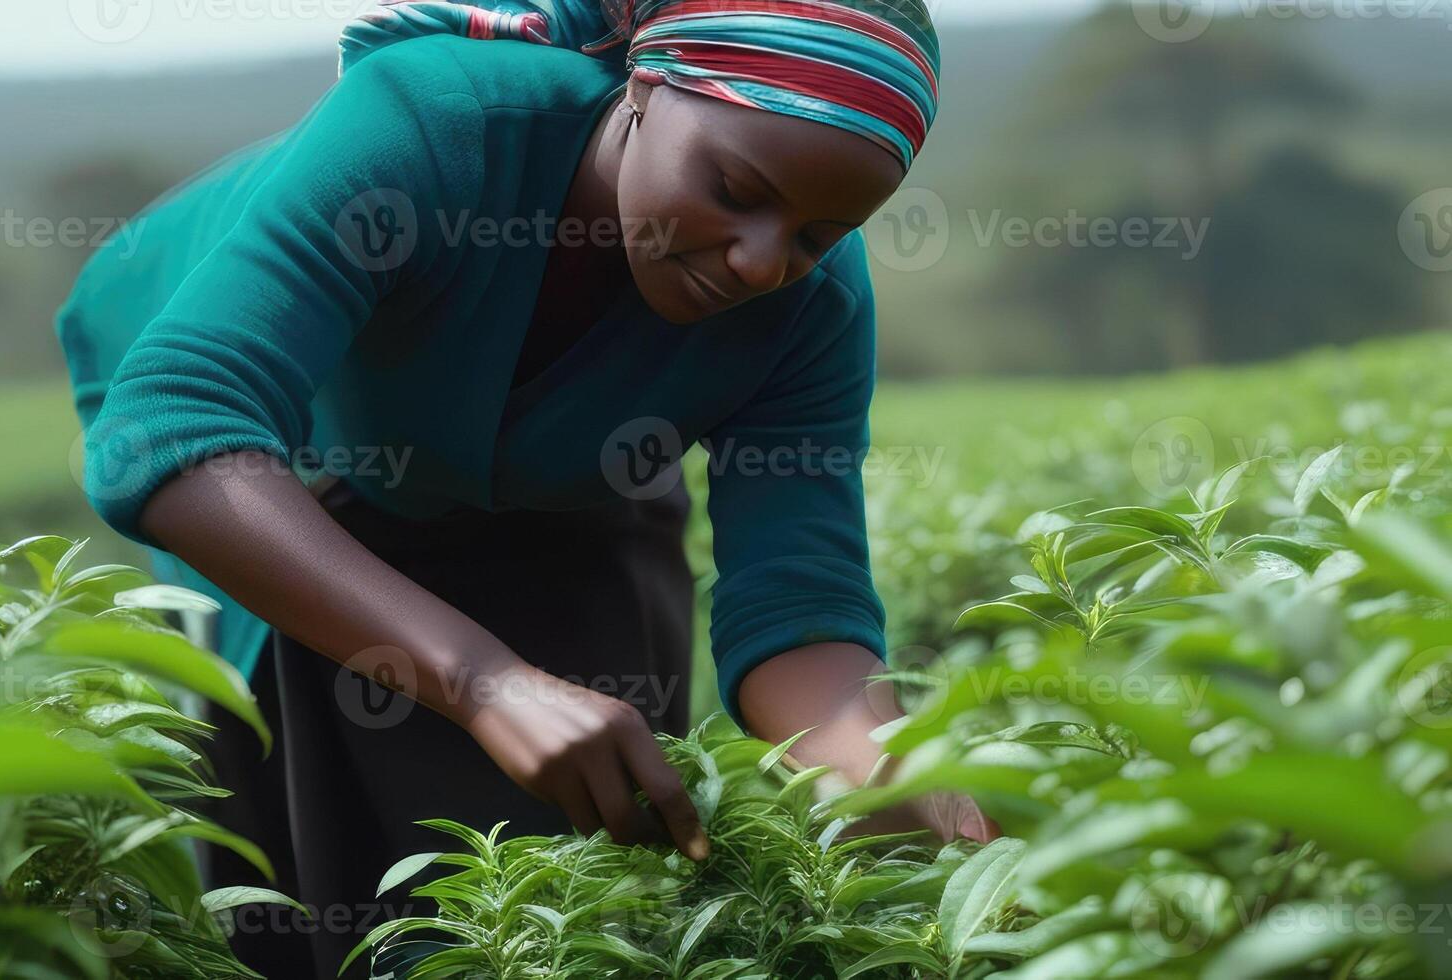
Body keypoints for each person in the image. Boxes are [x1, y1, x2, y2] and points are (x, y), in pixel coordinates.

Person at [54, 0, 993, 974]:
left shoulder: (811, 301)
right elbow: (169, 429)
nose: (761, 260)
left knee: (600, 811)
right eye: (733, 187)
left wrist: (929, 802)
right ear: (641, 85)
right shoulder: (433, 123)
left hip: (569, 470)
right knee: (329, 847)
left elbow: (800, 617)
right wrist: (484, 680)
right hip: (302, 451)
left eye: (813, 234)